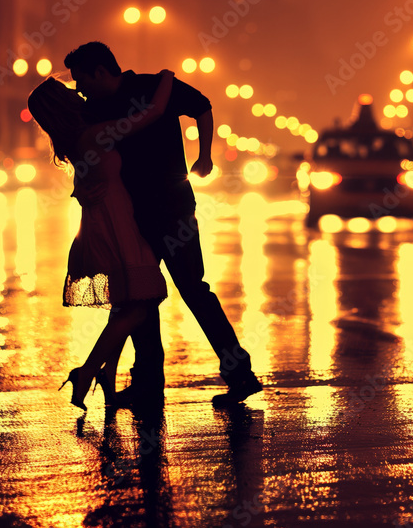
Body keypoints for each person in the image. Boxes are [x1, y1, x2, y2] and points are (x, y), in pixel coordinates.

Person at [64, 42, 262, 409]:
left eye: (81, 80)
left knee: (193, 290)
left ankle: (240, 375)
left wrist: (205, 154)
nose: (80, 89)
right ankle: (148, 383)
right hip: (134, 217)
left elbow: (202, 105)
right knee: (142, 295)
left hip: (173, 210)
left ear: (100, 72)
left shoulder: (149, 87)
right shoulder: (97, 110)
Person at [26, 70, 174, 411]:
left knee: (127, 302)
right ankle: (88, 370)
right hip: (115, 225)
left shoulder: (76, 141)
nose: (76, 92)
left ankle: (106, 372)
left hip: (103, 223)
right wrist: (168, 76)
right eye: (68, 92)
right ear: (62, 104)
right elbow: (151, 113)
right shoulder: (94, 135)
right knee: (144, 301)